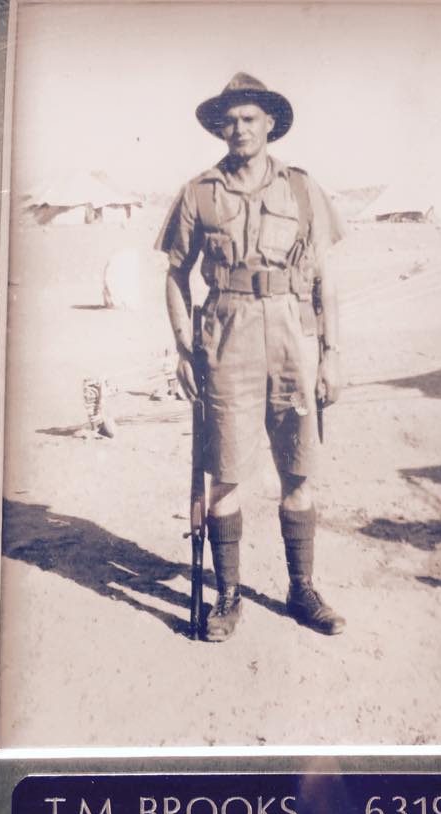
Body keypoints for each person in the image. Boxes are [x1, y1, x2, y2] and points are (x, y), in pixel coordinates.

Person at [156, 73, 346, 641]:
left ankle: (302, 589)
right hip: (226, 339)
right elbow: (175, 274)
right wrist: (183, 348)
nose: (239, 128)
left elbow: (326, 279)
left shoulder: (302, 189)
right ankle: (229, 596)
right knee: (226, 475)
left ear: (269, 124)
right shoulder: (198, 192)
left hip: (293, 338)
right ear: (221, 129)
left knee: (299, 471)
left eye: (249, 118)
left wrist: (332, 354)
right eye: (230, 120)